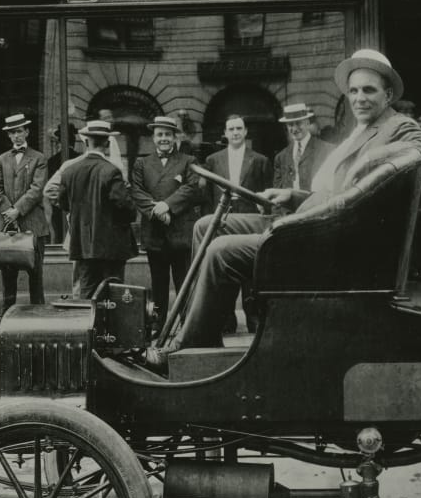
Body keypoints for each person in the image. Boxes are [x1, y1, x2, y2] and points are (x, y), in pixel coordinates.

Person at [147, 49, 421, 370]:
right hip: (312, 223)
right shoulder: (358, 129)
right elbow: (331, 193)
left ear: (388, 95)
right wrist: (292, 195)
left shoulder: (395, 125)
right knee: (206, 225)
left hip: (330, 246)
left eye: (369, 90)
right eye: (354, 90)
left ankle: (185, 348)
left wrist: (375, 157)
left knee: (221, 250)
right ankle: (203, 338)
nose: (359, 98)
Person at [131, 116, 203, 331]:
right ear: (153, 138)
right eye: (160, 135)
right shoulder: (141, 163)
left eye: (168, 135)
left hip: (180, 232)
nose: (164, 139)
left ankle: (187, 327)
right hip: (155, 232)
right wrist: (157, 211)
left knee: (184, 282)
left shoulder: (188, 161)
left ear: (175, 137)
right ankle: (158, 326)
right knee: (158, 284)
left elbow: (191, 188)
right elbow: (136, 191)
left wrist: (168, 206)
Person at [54, 119, 139, 298]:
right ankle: (109, 327)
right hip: (111, 245)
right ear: (107, 143)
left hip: (82, 244)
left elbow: (63, 203)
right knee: (113, 294)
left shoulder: (70, 171)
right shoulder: (112, 171)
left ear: (87, 142)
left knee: (86, 294)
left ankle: (89, 326)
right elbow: (125, 206)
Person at [204, 114, 272, 334]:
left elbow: (267, 196)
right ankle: (226, 319)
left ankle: (253, 318)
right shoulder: (214, 160)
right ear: (225, 133)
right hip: (223, 219)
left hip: (250, 218)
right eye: (231, 129)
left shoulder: (260, 160)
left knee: (251, 269)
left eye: (239, 129)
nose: (235, 133)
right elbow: (208, 195)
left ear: (245, 132)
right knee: (225, 266)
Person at [0, 113, 49, 327]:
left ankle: (38, 311)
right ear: (8, 135)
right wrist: (8, 212)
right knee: (8, 271)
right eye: (12, 132)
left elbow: (37, 189)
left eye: (19, 131)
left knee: (35, 271)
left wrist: (18, 211)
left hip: (32, 222)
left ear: (27, 132)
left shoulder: (39, 158)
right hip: (7, 224)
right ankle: (6, 312)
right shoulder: (1, 160)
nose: (16, 136)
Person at [273, 103, 331, 195]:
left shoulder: (326, 150)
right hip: (289, 209)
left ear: (307, 123)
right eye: (290, 125)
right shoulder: (281, 157)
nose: (295, 129)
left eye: (299, 123)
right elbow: (277, 193)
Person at [45, 123, 80, 243]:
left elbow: (48, 188)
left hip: (59, 206)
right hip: (79, 205)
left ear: (59, 142)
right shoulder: (80, 159)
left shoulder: (51, 161)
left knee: (59, 234)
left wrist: (58, 202)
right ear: (74, 142)